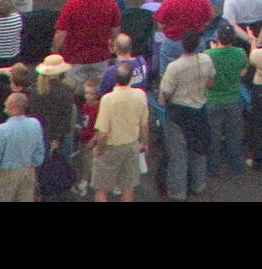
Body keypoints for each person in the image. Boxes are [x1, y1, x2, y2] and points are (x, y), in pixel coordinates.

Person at [159, 29, 214, 201]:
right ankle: (199, 184)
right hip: (200, 110)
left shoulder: (174, 67)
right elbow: (210, 83)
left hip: (179, 114)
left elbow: (163, 97)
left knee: (178, 154)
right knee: (199, 150)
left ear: (182, 45)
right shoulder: (206, 59)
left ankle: (177, 192)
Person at [92, 61, 149, 201]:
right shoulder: (140, 95)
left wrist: (99, 148)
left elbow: (103, 132)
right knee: (128, 187)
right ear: (131, 79)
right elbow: (144, 125)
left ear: (115, 79)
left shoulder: (107, 99)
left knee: (101, 187)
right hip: (131, 146)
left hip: (110, 147)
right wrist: (144, 143)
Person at [0, 91, 44, 201]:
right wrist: (35, 163)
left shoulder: (1, 130)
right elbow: (39, 150)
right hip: (27, 170)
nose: (5, 103)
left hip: (5, 173)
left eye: (8, 102)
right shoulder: (35, 124)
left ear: (14, 106)